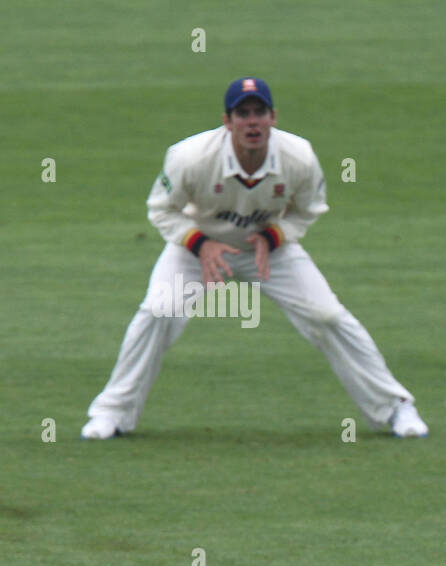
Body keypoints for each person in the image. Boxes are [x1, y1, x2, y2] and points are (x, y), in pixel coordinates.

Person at [81, 77, 428, 440]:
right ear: (227, 121)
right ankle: (112, 414)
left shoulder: (299, 157)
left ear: (273, 117)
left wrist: (273, 236)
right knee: (155, 313)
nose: (252, 122)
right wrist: (200, 244)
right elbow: (162, 209)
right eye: (242, 114)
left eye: (259, 112)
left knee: (327, 315)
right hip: (197, 249)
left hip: (268, 251)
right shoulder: (190, 156)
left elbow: (309, 210)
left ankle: (395, 408)